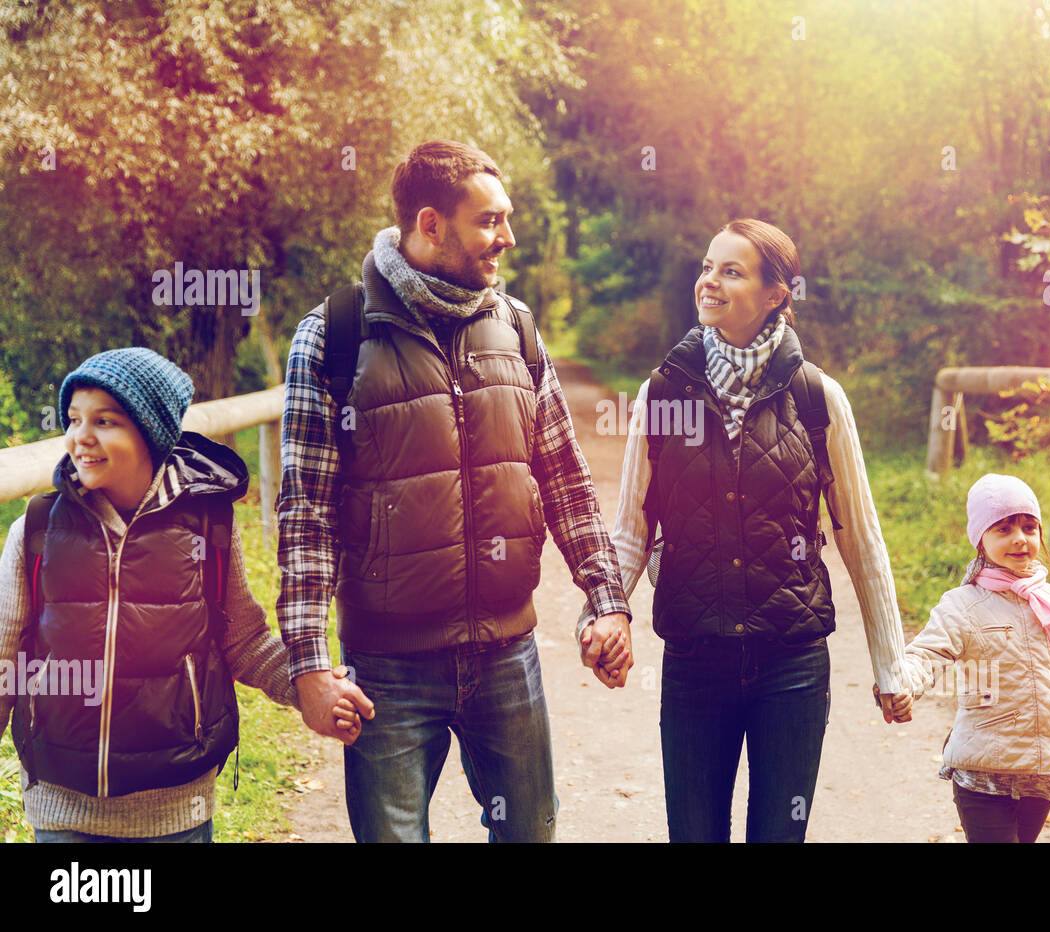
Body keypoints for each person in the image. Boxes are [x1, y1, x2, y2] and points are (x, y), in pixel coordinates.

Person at [277, 139, 632, 844]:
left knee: (530, 833)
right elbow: (305, 516)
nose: (507, 237)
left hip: (507, 655)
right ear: (430, 224)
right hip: (388, 668)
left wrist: (608, 600)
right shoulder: (335, 334)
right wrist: (310, 664)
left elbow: (565, 479)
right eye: (490, 221)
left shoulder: (518, 330)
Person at [578, 218, 912, 842]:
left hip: (792, 663)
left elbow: (859, 538)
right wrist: (603, 612)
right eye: (707, 267)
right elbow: (629, 531)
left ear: (776, 294)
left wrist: (891, 665)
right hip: (695, 661)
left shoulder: (819, 399)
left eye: (731, 271)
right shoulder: (661, 396)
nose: (709, 281)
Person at [0, 347, 356, 842]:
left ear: (150, 432)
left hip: (175, 810)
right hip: (62, 808)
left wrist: (312, 691)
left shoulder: (208, 527)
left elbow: (245, 641)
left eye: (105, 421)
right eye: (74, 419)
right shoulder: (35, 530)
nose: (81, 438)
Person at [899, 473, 1050, 843]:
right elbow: (926, 652)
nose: (1019, 538)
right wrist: (901, 682)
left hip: (1041, 772)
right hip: (984, 775)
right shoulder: (963, 604)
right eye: (1003, 529)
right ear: (981, 541)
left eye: (1028, 528)